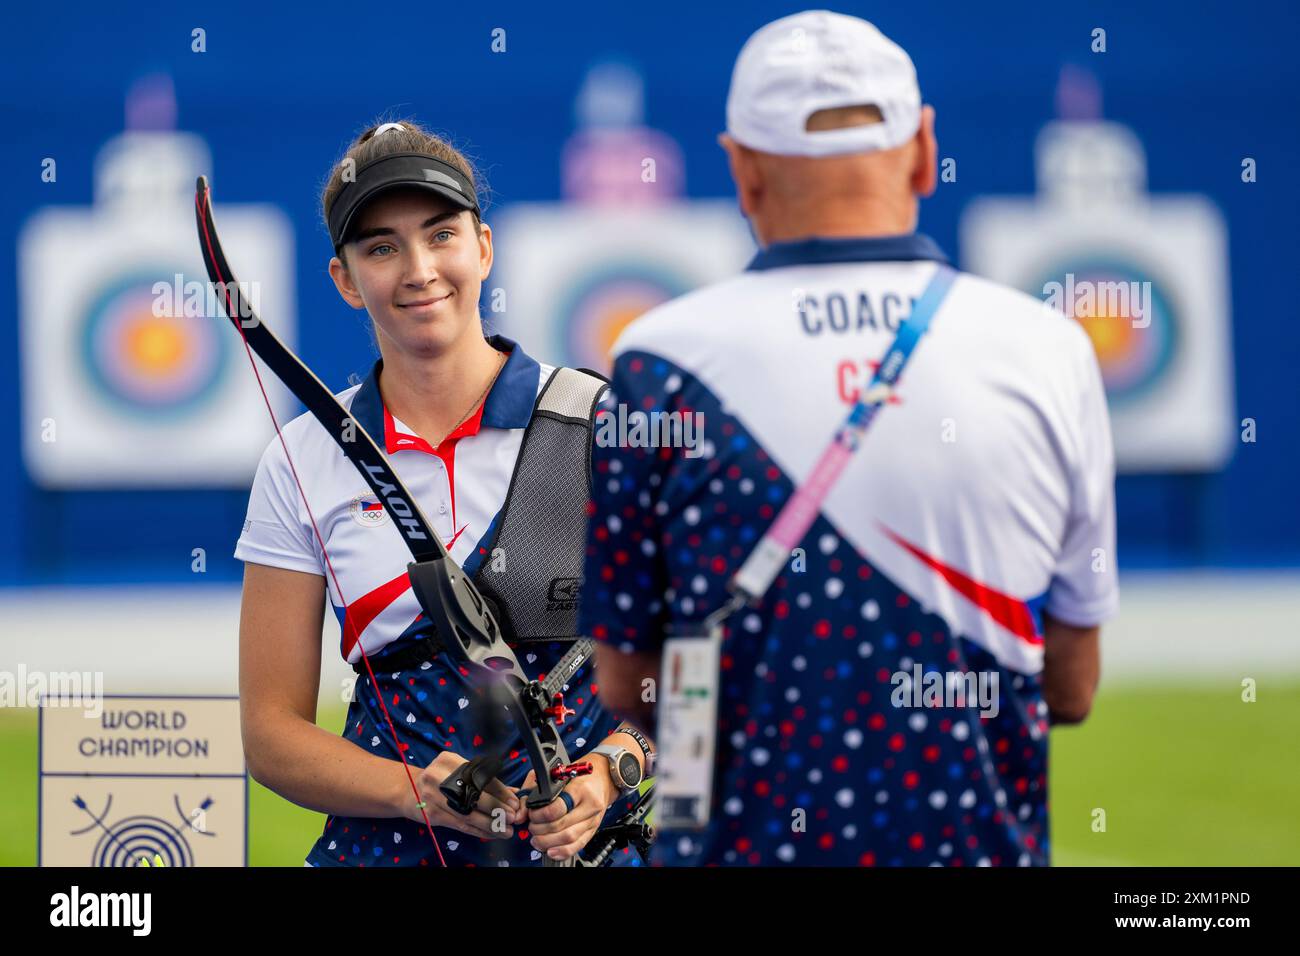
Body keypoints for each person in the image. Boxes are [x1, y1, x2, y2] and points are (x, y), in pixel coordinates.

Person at [581, 11, 1117, 866]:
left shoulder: (657, 362)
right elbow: (1073, 686)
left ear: (742, 169)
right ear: (921, 148)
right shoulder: (1049, 347)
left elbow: (626, 681)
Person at [234, 119, 650, 866]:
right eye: (381, 247)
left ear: (483, 248)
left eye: (440, 235)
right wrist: (409, 790)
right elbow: (270, 735)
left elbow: (703, 673)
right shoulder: (302, 459)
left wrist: (612, 770)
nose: (418, 268)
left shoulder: (600, 425)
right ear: (344, 279)